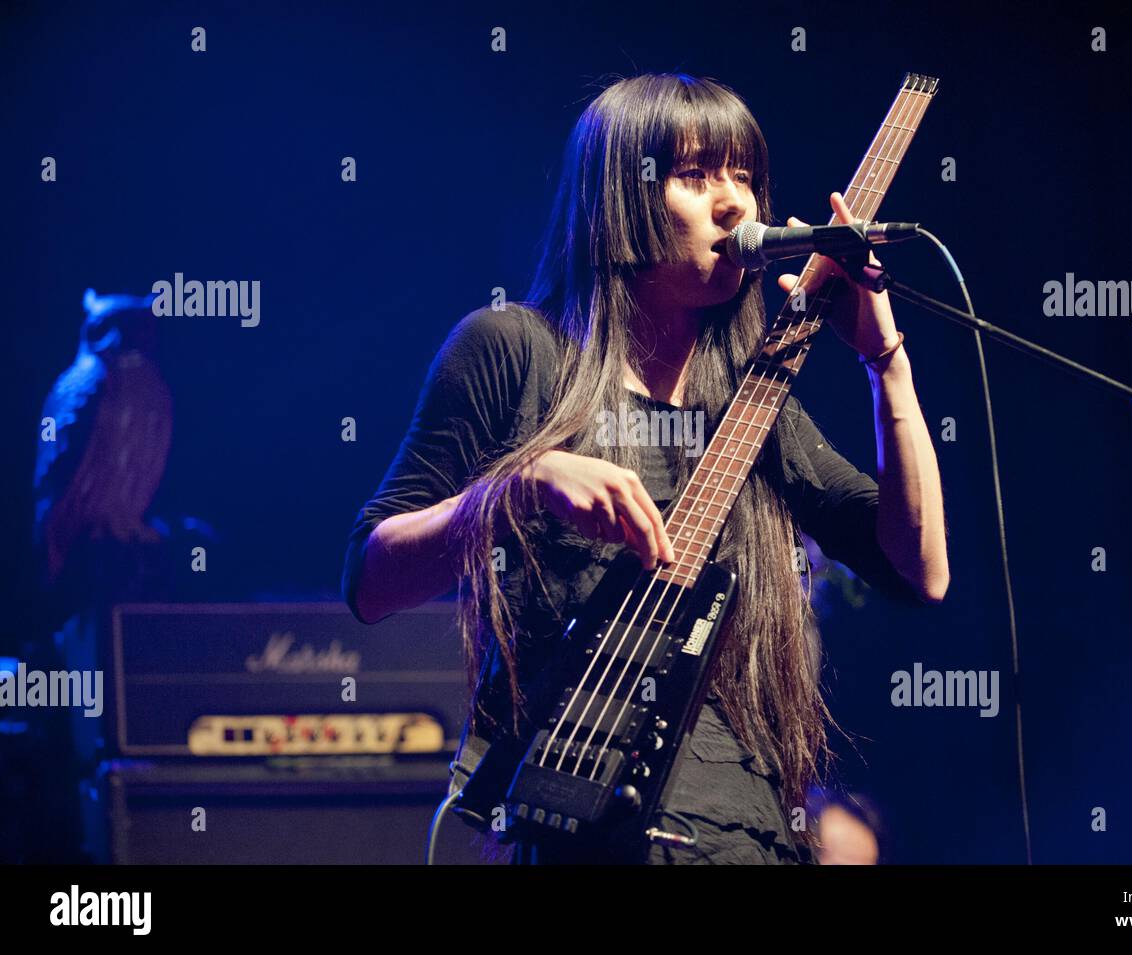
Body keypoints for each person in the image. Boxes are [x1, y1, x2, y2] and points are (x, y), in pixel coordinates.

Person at [342, 73, 948, 865]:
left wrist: (886, 365)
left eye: (745, 178)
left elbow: (922, 568)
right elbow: (369, 579)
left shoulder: (753, 400)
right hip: (573, 831)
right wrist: (517, 487)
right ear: (618, 197)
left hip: (748, 837)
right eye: (695, 177)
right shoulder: (513, 351)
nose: (734, 204)